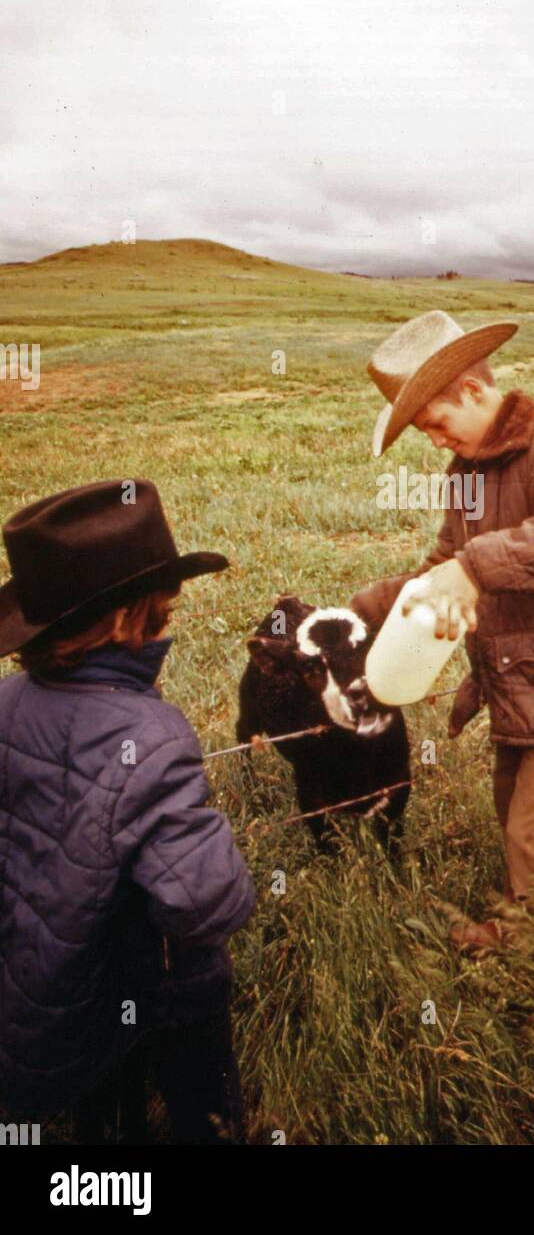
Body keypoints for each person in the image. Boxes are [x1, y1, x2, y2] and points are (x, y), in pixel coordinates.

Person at [349, 311, 534, 950]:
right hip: (515, 680)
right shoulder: (466, 474)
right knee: (511, 809)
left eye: (437, 425)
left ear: (473, 393)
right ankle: (520, 913)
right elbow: (446, 564)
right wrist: (375, 604)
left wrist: (475, 569)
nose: (437, 441)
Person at [0, 479, 256, 1143]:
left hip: (36, 992)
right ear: (130, 625)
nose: (171, 624)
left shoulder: (6, 702)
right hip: (128, 993)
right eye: (166, 611)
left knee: (102, 1113)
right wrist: (207, 834)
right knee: (194, 1046)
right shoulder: (154, 739)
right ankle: (210, 1123)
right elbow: (206, 906)